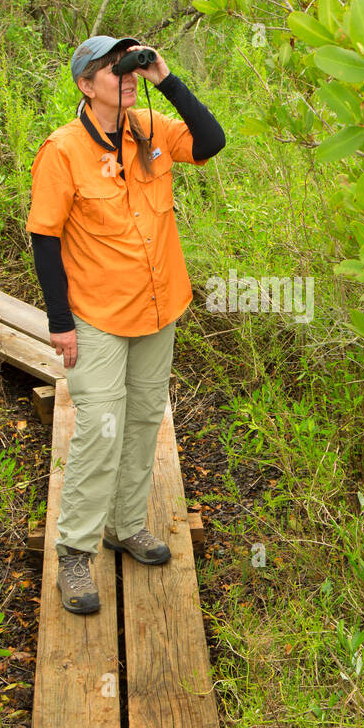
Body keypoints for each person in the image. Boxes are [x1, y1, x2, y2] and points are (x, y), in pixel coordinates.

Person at [26, 35, 225, 614]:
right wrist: (60, 324)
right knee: (100, 430)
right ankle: (74, 554)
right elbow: (45, 240)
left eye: (131, 65)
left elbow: (210, 142)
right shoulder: (62, 151)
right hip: (97, 317)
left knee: (142, 419)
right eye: (116, 69)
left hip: (158, 308)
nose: (128, 75)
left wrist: (166, 77)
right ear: (87, 85)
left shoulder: (151, 127)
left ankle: (125, 525)